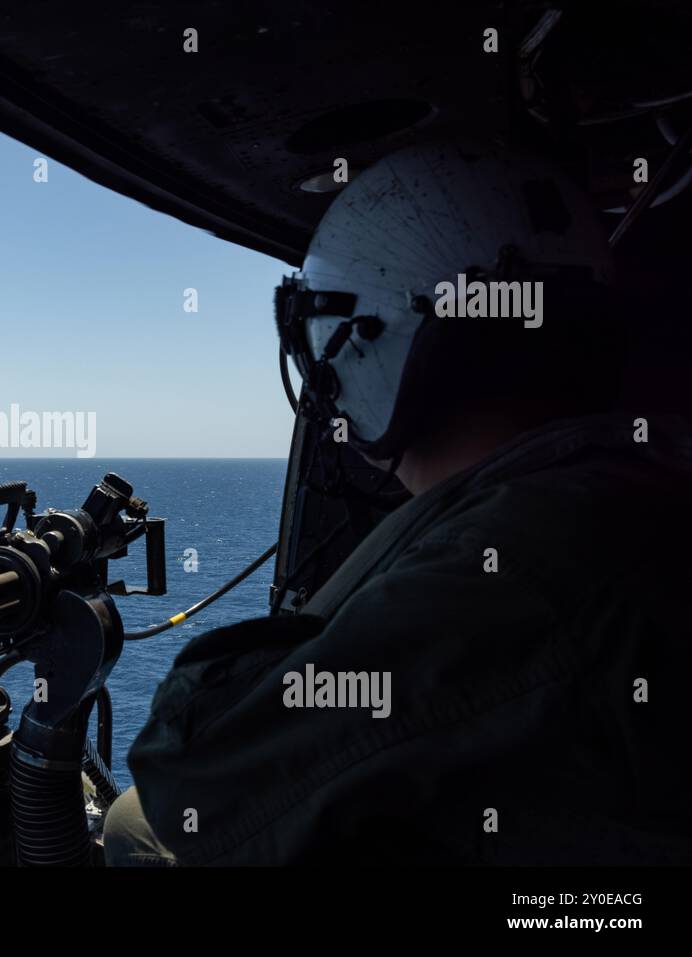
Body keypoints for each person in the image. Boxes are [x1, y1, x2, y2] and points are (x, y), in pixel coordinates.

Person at [103, 141, 692, 865]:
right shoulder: (645, 468)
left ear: (366, 340)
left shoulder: (524, 550)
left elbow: (195, 776)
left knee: (134, 828)